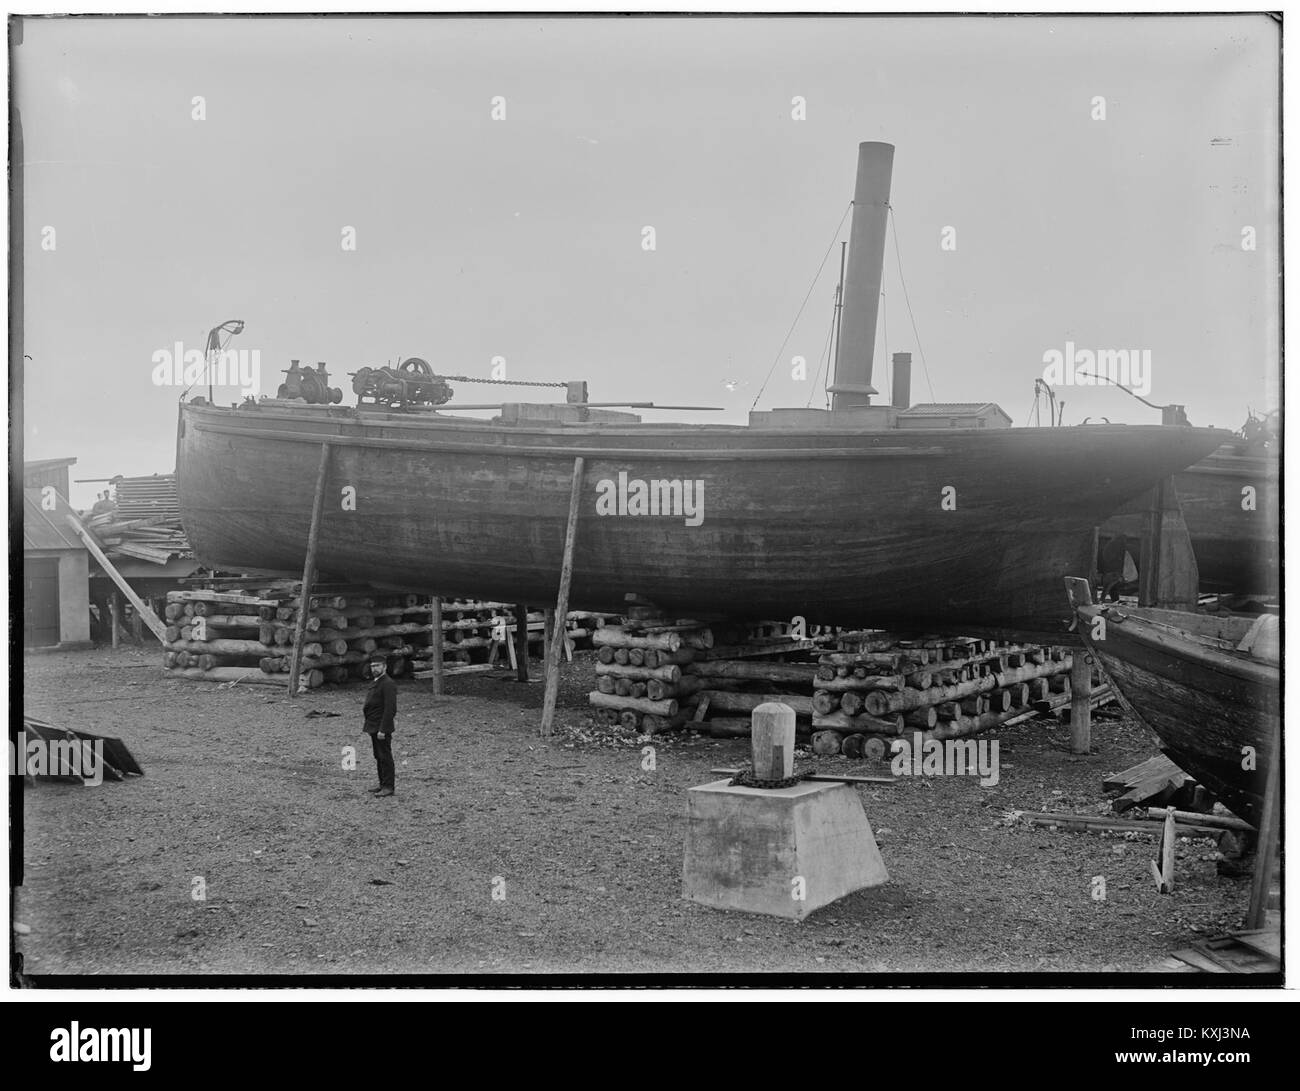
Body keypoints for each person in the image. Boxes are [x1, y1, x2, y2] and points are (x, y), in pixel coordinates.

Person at [363, 654, 397, 797]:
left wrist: (383, 729)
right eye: (372, 666)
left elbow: (390, 709)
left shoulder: (387, 683)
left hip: (381, 727)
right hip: (373, 725)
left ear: (384, 667)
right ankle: (382, 783)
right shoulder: (377, 682)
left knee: (385, 756)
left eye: (377, 666)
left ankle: (388, 786)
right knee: (378, 756)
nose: (374, 668)